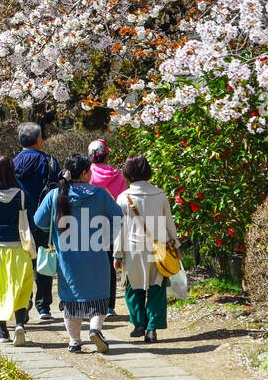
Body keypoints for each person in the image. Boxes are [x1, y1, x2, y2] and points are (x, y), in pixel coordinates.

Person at [34, 153, 123, 354]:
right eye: (89, 171)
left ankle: (74, 341)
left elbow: (39, 221)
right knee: (99, 296)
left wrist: (55, 230)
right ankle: (94, 329)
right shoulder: (100, 194)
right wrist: (106, 237)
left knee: (70, 298)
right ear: (84, 173)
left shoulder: (56, 194)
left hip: (67, 258)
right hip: (97, 254)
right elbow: (118, 216)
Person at [114, 154, 179, 343]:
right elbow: (169, 223)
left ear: (127, 172)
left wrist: (117, 255)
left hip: (133, 249)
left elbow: (120, 229)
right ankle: (152, 328)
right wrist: (175, 245)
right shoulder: (160, 194)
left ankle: (139, 323)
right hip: (159, 247)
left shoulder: (123, 197)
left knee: (133, 288)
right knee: (157, 288)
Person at [0, 156, 37, 344]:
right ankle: (20, 324)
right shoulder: (21, 195)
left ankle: (3, 332)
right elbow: (31, 221)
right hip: (19, 247)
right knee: (21, 287)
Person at [12, 122, 59, 321]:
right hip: (44, 219)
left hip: (20, 219)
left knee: (23, 263)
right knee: (44, 260)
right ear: (39, 139)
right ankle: (44, 306)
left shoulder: (12, 163)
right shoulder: (49, 161)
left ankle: (25, 300)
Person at [88, 138, 127, 316]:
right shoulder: (117, 174)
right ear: (106, 156)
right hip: (113, 225)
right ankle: (110, 305)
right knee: (111, 265)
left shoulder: (87, 173)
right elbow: (123, 196)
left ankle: (94, 304)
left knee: (92, 264)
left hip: (91, 225)